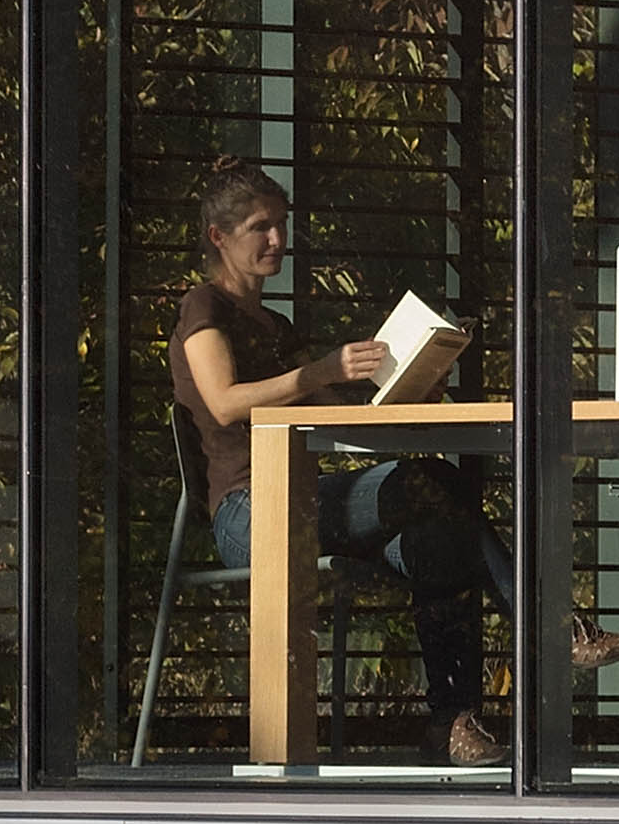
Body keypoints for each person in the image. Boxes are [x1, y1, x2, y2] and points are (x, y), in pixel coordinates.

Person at [171, 161, 508, 763]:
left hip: (305, 500)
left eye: (281, 224)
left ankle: (450, 721)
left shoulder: (276, 325)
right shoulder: (205, 307)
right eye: (260, 228)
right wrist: (322, 368)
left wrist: (412, 385)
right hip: (251, 512)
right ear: (218, 237)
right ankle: (549, 627)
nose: (278, 239)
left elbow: (340, 415)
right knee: (431, 482)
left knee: (438, 537)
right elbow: (223, 403)